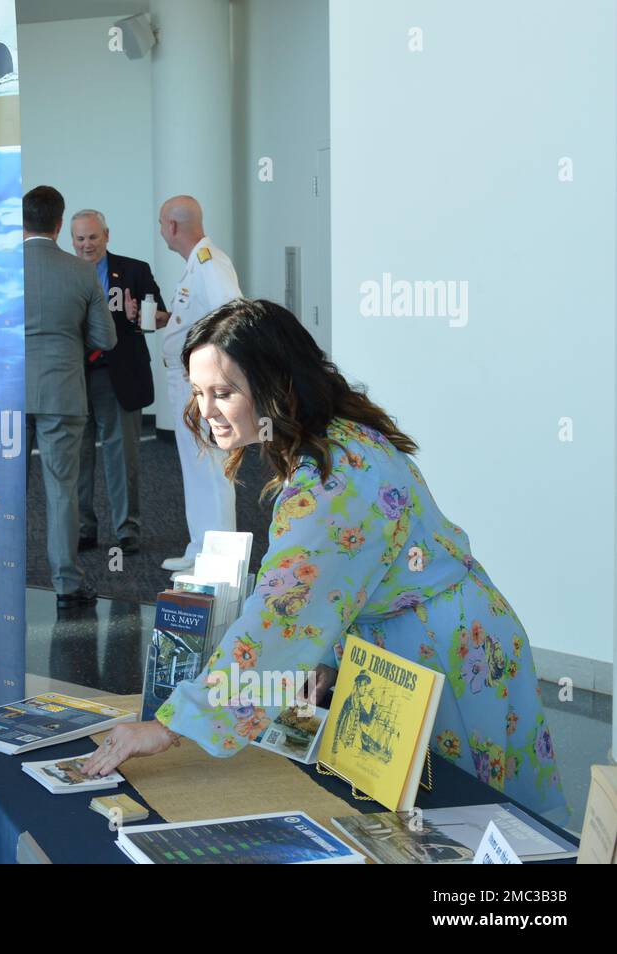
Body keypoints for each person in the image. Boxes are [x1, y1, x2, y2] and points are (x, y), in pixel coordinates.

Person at [81, 299, 566, 819]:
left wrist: (169, 725)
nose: (205, 411)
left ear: (277, 386)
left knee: (483, 824)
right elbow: (345, 579)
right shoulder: (333, 439)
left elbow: (277, 617)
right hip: (431, 637)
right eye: (199, 393)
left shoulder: (333, 479)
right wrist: (329, 658)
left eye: (223, 393)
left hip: (448, 657)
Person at [23, 186, 116, 607]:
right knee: (62, 489)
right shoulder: (81, 271)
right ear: (60, 225)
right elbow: (105, 338)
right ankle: (66, 583)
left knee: (2, 490)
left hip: (7, 395)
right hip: (63, 391)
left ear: (21, 221)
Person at [70, 209, 163, 555]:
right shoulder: (64, 272)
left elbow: (161, 315)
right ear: (72, 240)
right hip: (75, 376)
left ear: (107, 235)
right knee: (78, 458)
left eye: (93, 237)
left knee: (122, 457)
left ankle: (127, 531)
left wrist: (142, 315)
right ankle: (83, 529)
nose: (87, 245)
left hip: (118, 375)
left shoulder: (135, 270)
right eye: (80, 239)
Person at [157, 195, 241, 573]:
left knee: (211, 469)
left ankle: (220, 562)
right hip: (189, 383)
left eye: (162, 225)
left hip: (204, 385)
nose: (162, 232)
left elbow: (234, 314)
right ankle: (199, 550)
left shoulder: (210, 261)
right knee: (196, 468)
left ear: (173, 227)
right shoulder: (196, 265)